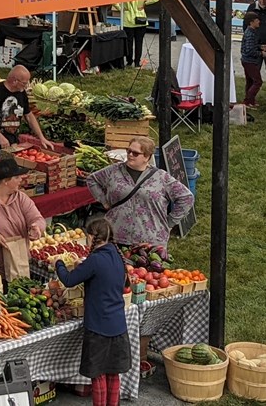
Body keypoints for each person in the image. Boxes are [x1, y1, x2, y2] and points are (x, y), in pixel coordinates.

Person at [85, 135, 193, 376]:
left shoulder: (162, 178)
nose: (129, 156)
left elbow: (186, 197)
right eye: (128, 151)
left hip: (149, 245)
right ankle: (119, 348)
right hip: (118, 240)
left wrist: (169, 223)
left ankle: (141, 352)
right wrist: (104, 201)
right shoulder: (113, 172)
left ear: (147, 157)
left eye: (135, 153)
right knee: (120, 294)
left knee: (146, 298)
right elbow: (91, 179)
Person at [56, 215, 130, 406]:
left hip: (98, 327)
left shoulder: (95, 260)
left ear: (91, 237)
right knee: (113, 373)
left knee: (98, 375)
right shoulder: (116, 253)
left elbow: (69, 280)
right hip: (118, 325)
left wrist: (59, 264)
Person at [0, 65, 54, 161]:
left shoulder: (21, 92)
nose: (26, 85)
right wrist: (0, 137)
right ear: (15, 81)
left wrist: (41, 137)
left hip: (12, 144)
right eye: (24, 83)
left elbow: (29, 115)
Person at [120, 0, 157, 67]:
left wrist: (122, 9)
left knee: (128, 43)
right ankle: (137, 62)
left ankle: (129, 61)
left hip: (128, 20)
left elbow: (114, 2)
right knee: (139, 43)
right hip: (140, 20)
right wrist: (145, 2)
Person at [239, 10, 264, 107]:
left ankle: (250, 100)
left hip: (246, 60)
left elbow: (250, 46)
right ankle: (248, 100)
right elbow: (249, 51)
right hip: (249, 61)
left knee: (250, 81)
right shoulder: (250, 34)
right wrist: (261, 53)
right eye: (257, 20)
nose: (259, 22)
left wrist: (260, 46)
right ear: (251, 22)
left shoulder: (250, 32)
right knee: (258, 81)